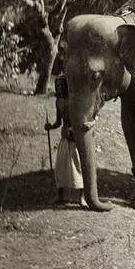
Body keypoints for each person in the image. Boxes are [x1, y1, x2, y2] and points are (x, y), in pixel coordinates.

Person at [45, 73, 85, 206]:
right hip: (64, 138)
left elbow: (80, 120)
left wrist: (73, 130)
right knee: (61, 168)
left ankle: (81, 198)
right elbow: (58, 122)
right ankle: (60, 196)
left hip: (75, 138)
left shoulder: (74, 101)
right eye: (57, 86)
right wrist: (50, 126)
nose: (59, 88)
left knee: (78, 167)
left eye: (62, 85)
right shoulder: (59, 102)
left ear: (67, 86)